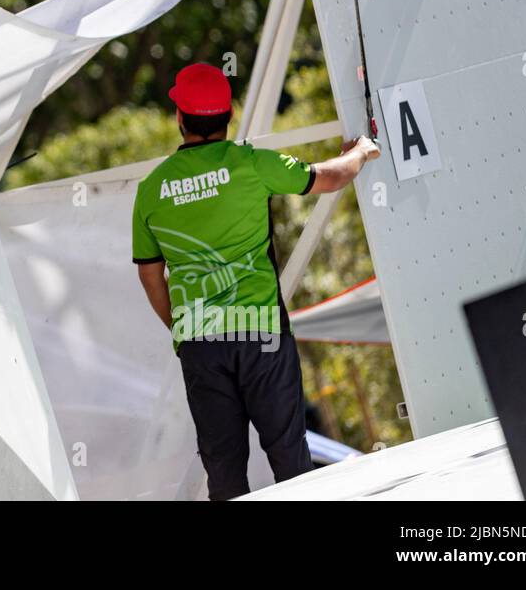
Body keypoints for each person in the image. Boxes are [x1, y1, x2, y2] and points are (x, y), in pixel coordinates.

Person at [131, 62, 379, 499]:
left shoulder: (152, 189)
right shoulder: (250, 163)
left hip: (200, 341)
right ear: (227, 118)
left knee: (223, 467)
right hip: (261, 330)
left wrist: (183, 328)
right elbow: (328, 177)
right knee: (289, 454)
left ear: (180, 118)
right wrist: (359, 151)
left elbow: (151, 275)